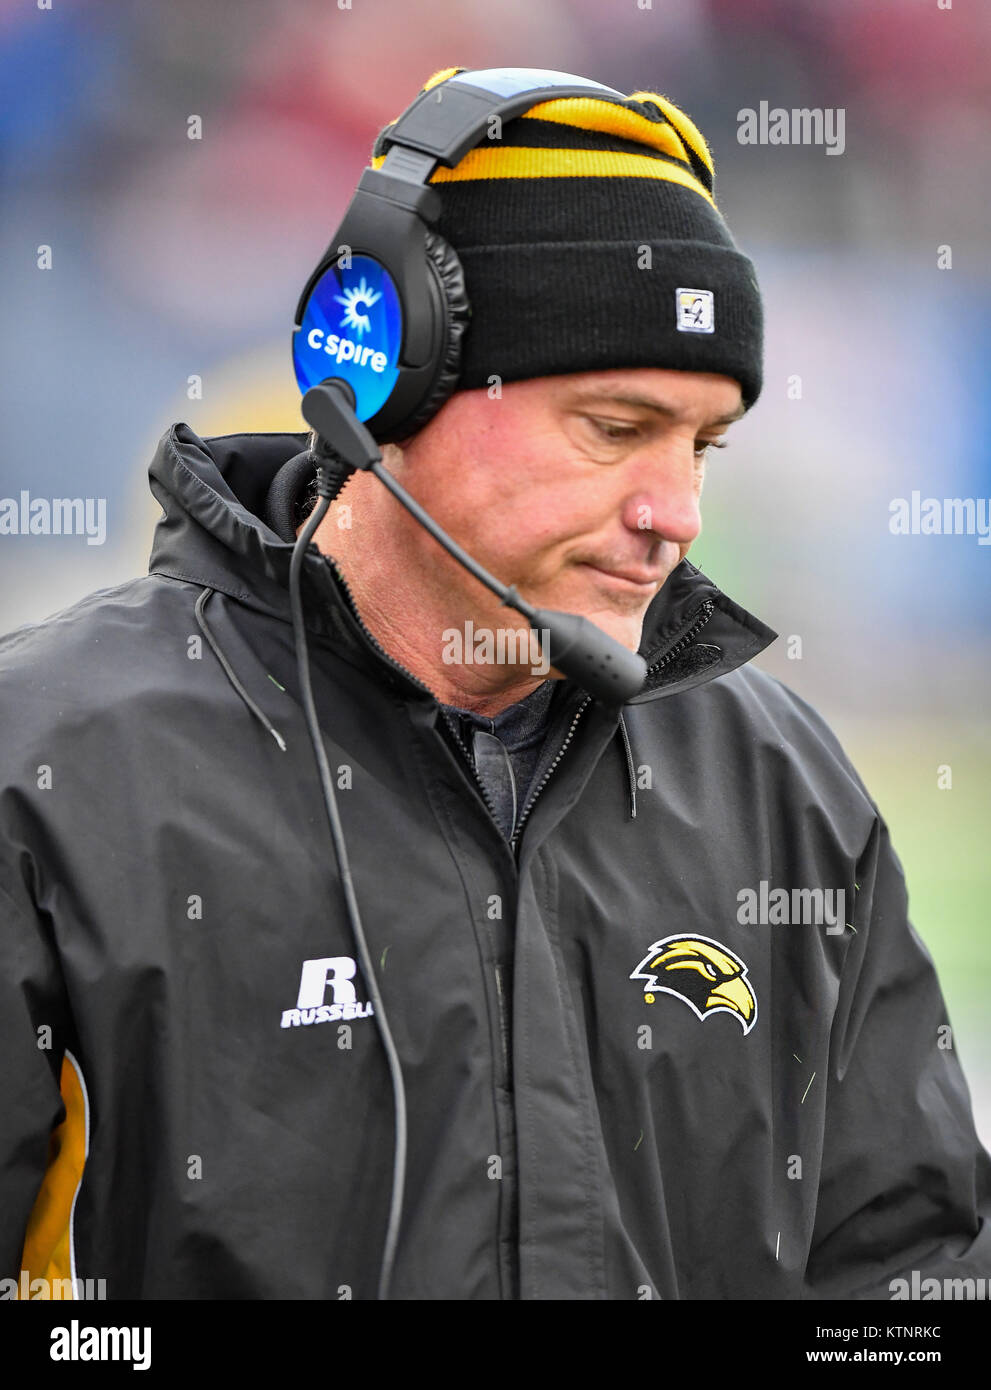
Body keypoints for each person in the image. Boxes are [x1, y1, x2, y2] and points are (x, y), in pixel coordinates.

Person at [2, 64, 989, 1303]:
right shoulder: (49, 765)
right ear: (385, 385)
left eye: (704, 444)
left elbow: (909, 1268)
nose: (674, 513)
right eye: (616, 428)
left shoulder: (777, 779)